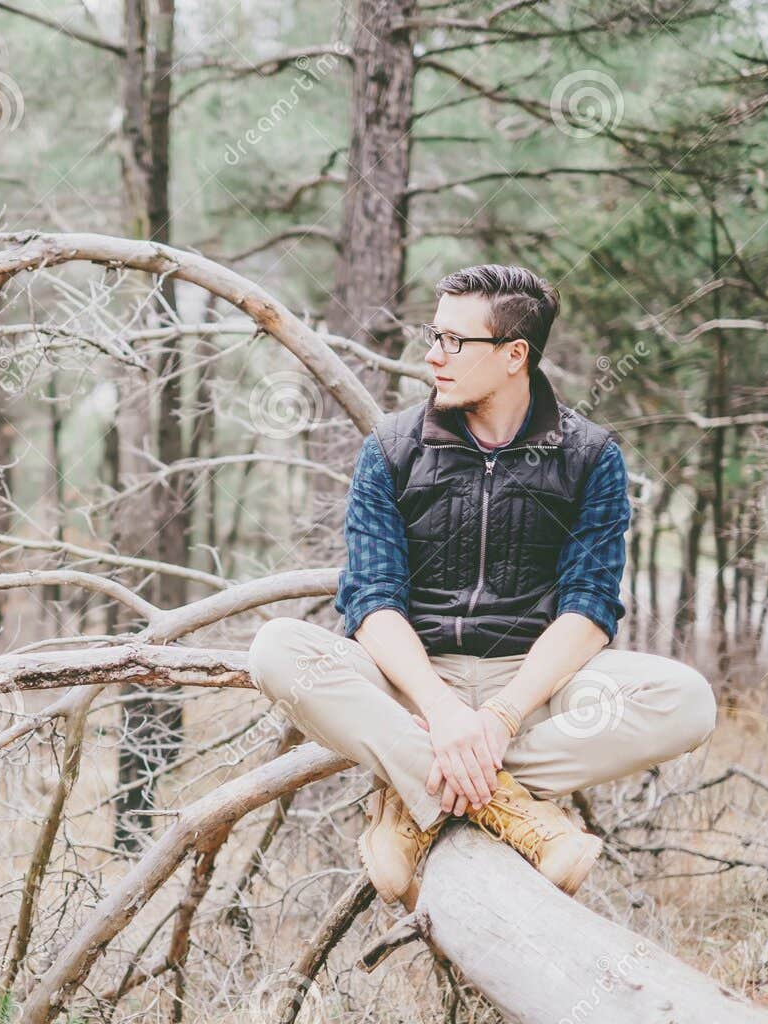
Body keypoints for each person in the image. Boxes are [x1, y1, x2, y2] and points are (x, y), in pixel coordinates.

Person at [247, 264, 717, 910]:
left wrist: (499, 716)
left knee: (687, 701)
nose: (432, 355)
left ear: (514, 355)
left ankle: (419, 796)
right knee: (276, 648)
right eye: (432, 335)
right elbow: (372, 601)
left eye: (453, 341)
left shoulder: (588, 456)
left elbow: (589, 608)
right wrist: (441, 712)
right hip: (410, 680)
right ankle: (511, 808)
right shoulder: (392, 447)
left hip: (534, 687)